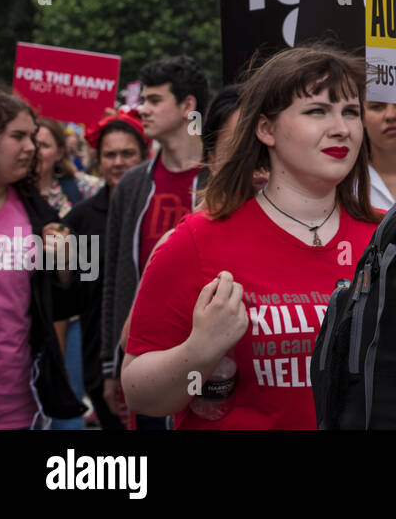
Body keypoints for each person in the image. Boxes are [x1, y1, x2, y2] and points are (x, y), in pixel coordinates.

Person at [120, 46, 381, 429]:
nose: (341, 128)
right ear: (266, 129)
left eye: (351, 112)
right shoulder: (197, 241)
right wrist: (199, 351)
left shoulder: (390, 239)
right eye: (317, 111)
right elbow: (139, 393)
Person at [100, 55, 209, 428]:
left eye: (154, 100)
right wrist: (111, 362)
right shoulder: (132, 185)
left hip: (211, 360)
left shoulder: (222, 178)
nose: (141, 109)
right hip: (144, 360)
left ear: (187, 106)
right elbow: (115, 275)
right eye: (142, 99)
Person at [0, 94, 84, 429]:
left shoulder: (42, 211)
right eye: (18, 136)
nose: (31, 147)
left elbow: (81, 290)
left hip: (21, 405)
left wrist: (64, 265)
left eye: (33, 137)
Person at [62, 110, 149, 431]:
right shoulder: (82, 220)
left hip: (156, 359)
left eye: (128, 153)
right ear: (98, 161)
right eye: (110, 155)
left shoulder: (156, 210)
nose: (118, 162)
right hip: (99, 361)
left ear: (144, 156)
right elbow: (73, 293)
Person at [35, 117, 102, 429]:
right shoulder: (9, 195)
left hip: (73, 318)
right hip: (31, 320)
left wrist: (65, 263)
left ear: (60, 151)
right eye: (28, 142)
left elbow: (87, 271)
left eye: (43, 145)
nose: (33, 151)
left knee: (69, 401)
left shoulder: (84, 190)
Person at [35, 118, 102, 218]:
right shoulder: (9, 191)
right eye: (33, 143)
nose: (36, 152)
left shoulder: (86, 187)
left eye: (44, 146)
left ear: (59, 153)